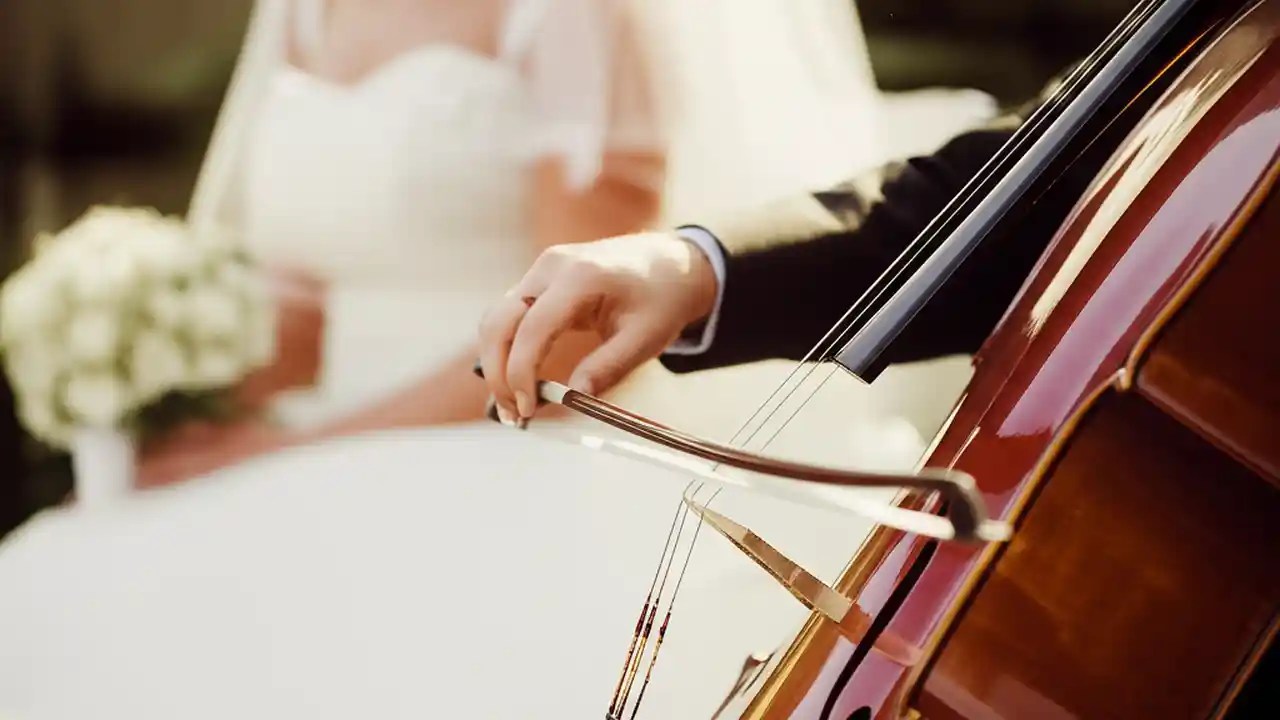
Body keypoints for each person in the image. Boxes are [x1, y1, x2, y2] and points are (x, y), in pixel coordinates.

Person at [136, 0, 988, 485]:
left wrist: (291, 457)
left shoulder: (574, 12)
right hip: (310, 437)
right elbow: (300, 285)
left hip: (498, 446)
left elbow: (568, 341)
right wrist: (147, 391)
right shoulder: (301, 11)